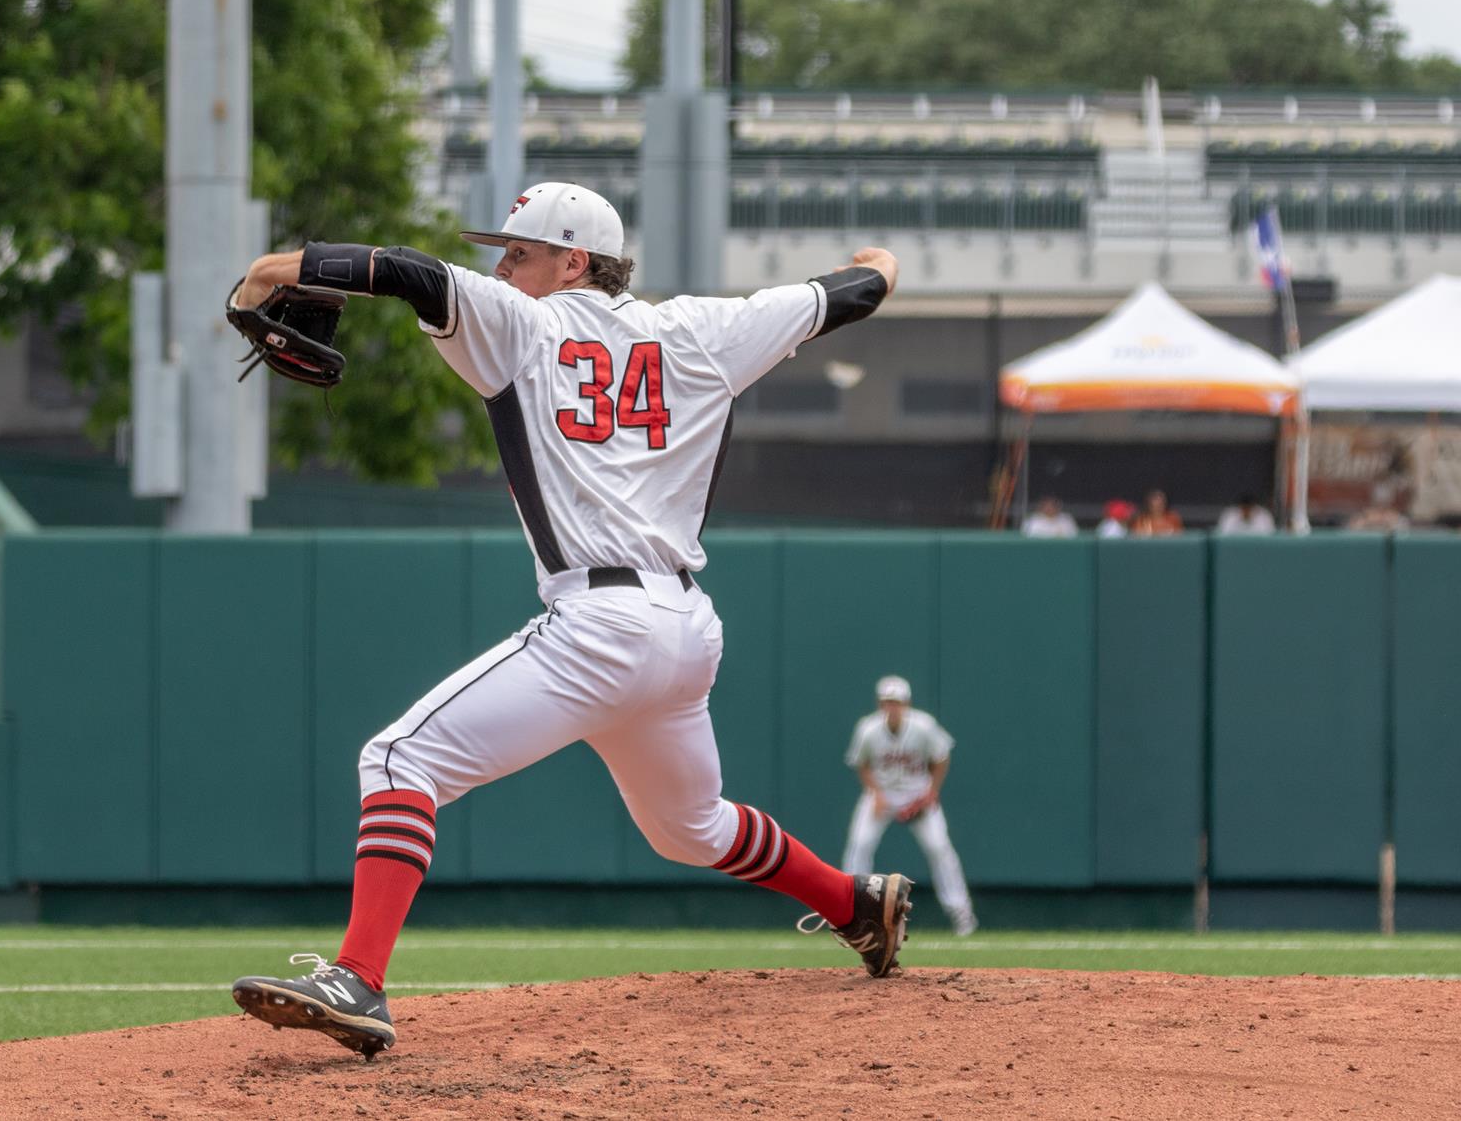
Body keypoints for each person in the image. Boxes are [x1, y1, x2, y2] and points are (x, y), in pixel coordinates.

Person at [225, 182, 913, 1058]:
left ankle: (358, 977)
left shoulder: (522, 321)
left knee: (399, 757)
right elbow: (848, 296)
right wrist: (879, 266)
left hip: (601, 621)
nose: (502, 265)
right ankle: (857, 904)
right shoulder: (701, 328)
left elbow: (401, 271)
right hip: (686, 628)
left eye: (519, 251)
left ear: (573, 261)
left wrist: (264, 272)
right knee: (688, 827)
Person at [831, 676, 977, 938]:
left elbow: (941, 757)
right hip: (882, 793)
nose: (892, 708)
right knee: (860, 843)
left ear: (906, 704)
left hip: (916, 793)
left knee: (939, 847)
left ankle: (961, 913)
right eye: (887, 702)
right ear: (880, 704)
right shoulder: (868, 729)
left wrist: (931, 792)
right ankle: (849, 913)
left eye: (896, 702)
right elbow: (861, 763)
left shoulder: (923, 726)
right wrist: (875, 794)